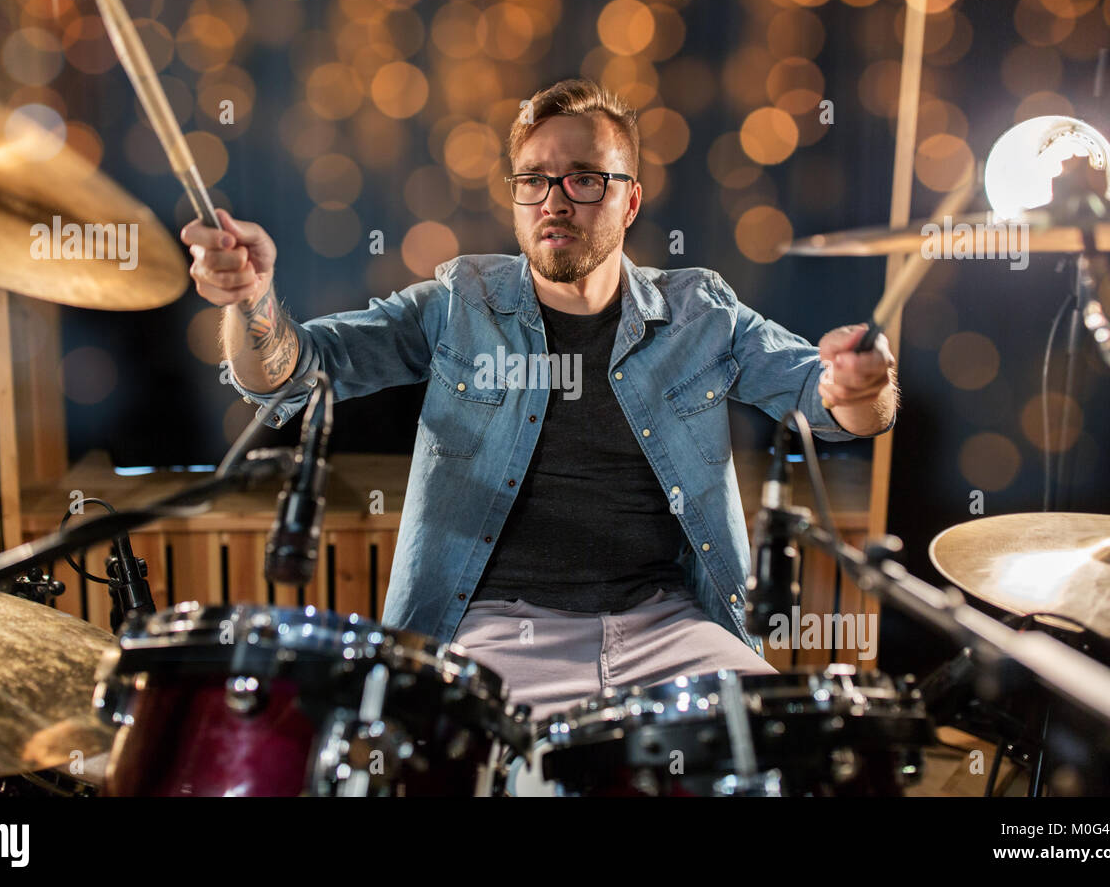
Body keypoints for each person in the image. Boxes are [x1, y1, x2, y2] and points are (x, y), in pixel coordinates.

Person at [181, 78, 897, 719]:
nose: (554, 200)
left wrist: (861, 386)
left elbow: (837, 407)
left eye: (585, 179)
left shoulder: (702, 313)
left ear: (631, 199)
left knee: (772, 751)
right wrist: (250, 301)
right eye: (534, 180)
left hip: (671, 632)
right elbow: (292, 371)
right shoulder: (459, 302)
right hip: (494, 635)